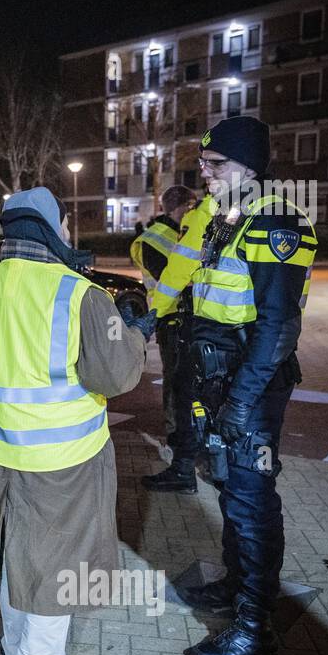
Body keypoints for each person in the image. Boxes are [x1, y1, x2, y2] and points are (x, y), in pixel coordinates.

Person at [0, 188, 153, 655]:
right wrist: (136, 334)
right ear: (52, 228)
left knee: (14, 557)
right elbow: (118, 375)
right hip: (67, 461)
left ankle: (20, 654)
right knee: (58, 568)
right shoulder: (80, 294)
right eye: (63, 224)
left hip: (0, 454)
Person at [177, 116, 316, 655]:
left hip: (251, 388)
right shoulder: (227, 220)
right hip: (222, 381)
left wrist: (239, 402)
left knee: (252, 502)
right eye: (203, 164)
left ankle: (255, 625)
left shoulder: (277, 221)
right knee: (232, 491)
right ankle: (236, 587)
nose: (204, 174)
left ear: (249, 168)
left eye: (215, 165)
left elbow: (279, 327)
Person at [130, 185, 199, 485]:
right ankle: (175, 439)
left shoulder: (185, 233)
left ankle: (190, 437)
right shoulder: (152, 240)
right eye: (191, 206)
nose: (194, 212)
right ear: (179, 207)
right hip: (170, 319)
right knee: (176, 383)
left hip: (191, 318)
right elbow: (172, 279)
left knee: (190, 381)